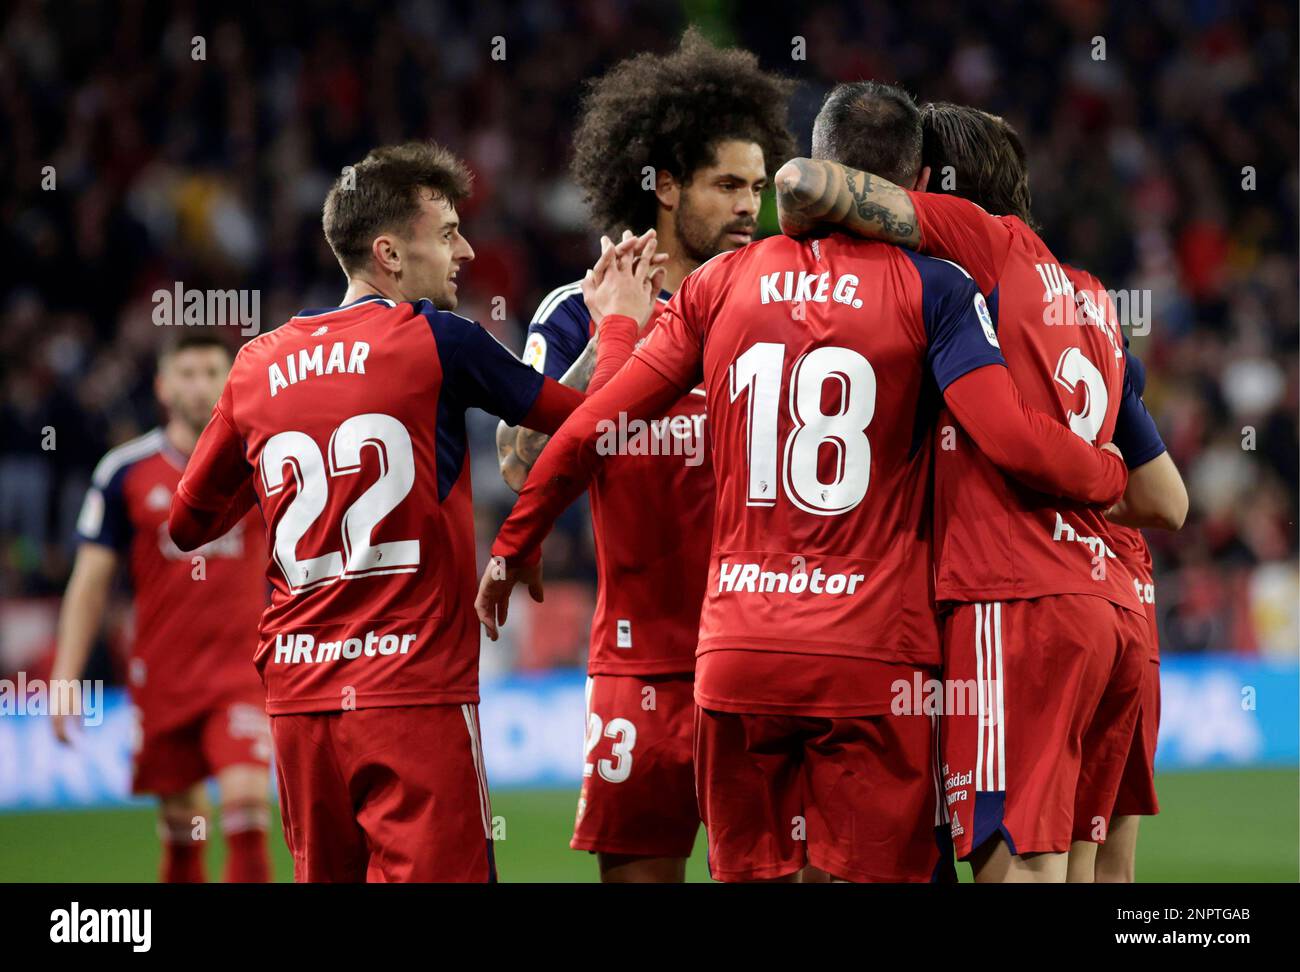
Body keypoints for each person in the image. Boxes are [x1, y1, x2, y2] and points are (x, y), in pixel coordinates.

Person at [478, 83, 1130, 883]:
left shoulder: (719, 287)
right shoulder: (938, 288)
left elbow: (590, 423)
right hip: (868, 659)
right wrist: (1104, 471)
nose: (751, 201)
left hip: (736, 652)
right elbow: (1009, 439)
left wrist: (517, 538)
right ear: (914, 182)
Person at [167, 141, 646, 882]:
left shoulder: (256, 363)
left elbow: (188, 524)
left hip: (297, 706)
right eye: (448, 231)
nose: (466, 249)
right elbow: (589, 420)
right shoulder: (437, 339)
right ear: (389, 252)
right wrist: (617, 323)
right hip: (412, 698)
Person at [774, 97, 1180, 882]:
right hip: (1122, 613)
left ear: (938, 187)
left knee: (1021, 871)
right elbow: (1170, 502)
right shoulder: (1092, 297)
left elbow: (807, 183)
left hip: (1020, 605)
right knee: (1106, 879)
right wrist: (1088, 483)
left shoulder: (976, 247)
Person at [496, 28, 795, 884]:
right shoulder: (570, 310)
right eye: (727, 185)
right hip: (635, 663)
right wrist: (609, 331)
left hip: (758, 651)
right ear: (663, 187)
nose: (750, 206)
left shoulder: (773, 300)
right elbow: (520, 461)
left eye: (758, 187)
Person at [54, 333, 272, 883]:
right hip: (163, 675)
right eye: (188, 373)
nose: (200, 387)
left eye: (211, 373)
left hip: (242, 672)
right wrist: (65, 676)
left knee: (247, 808)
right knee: (183, 828)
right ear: (162, 385)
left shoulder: (263, 459)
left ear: (230, 382)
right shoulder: (124, 472)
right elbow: (89, 584)